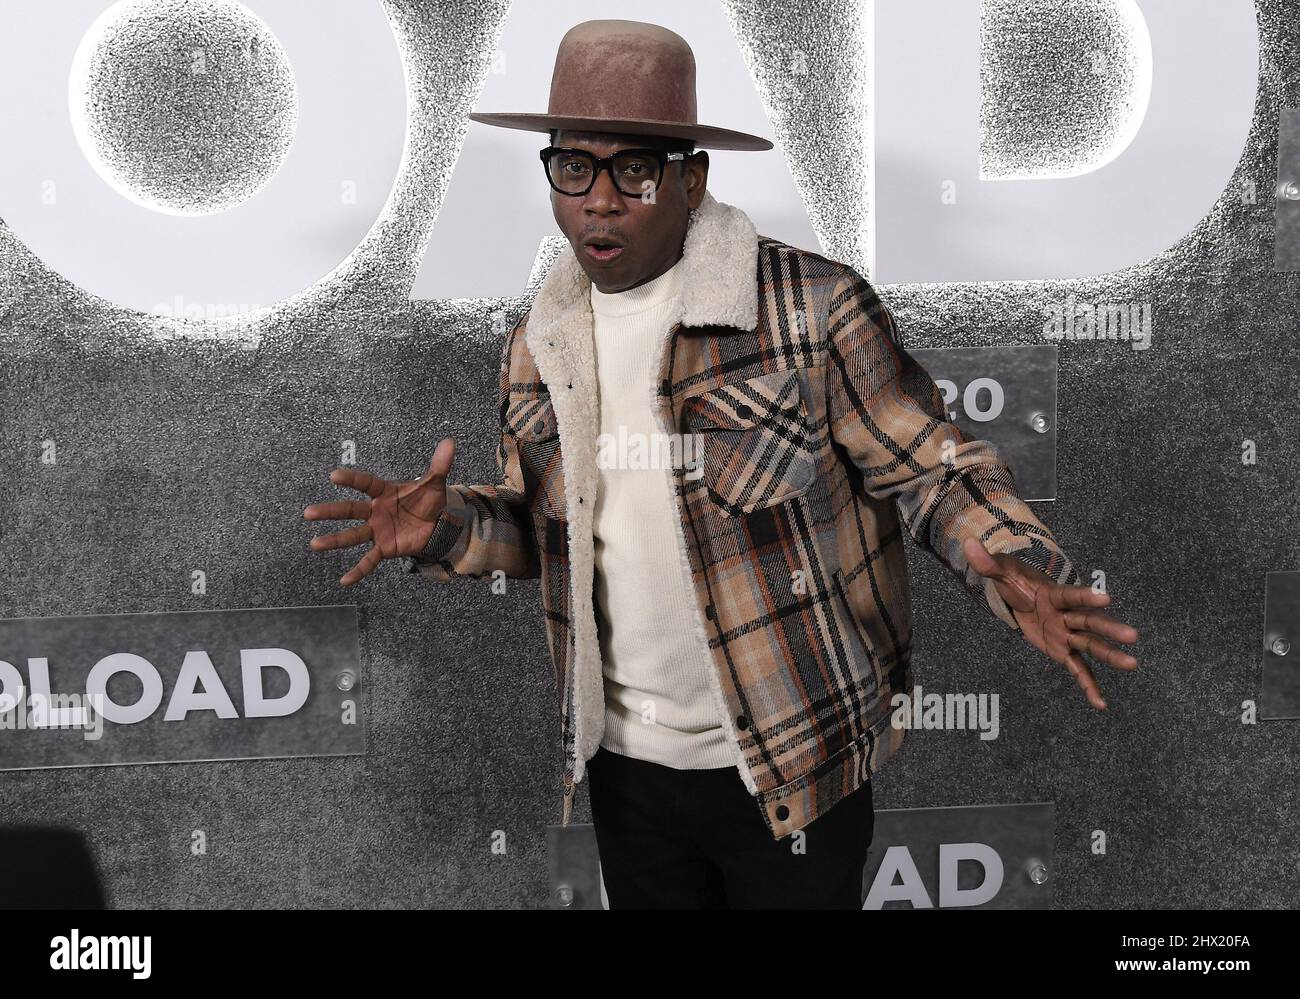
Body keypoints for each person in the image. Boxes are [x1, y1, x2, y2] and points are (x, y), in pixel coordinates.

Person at [303, 19, 1140, 909]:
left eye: (635, 170)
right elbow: (551, 524)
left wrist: (1011, 559)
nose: (600, 201)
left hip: (792, 759)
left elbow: (932, 465)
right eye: (574, 167)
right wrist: (450, 529)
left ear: (691, 180)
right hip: (628, 771)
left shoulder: (811, 308)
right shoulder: (539, 341)